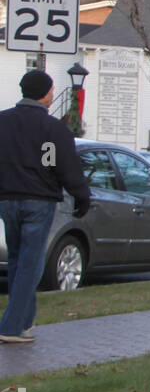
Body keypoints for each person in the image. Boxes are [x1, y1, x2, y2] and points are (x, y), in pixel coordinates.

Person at [0, 71, 92, 344]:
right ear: (45, 93)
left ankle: (25, 323)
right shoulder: (51, 130)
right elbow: (58, 165)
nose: (54, 94)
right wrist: (81, 196)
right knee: (31, 262)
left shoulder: (3, 123)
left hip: (7, 200)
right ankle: (12, 326)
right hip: (38, 200)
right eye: (52, 90)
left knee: (18, 259)